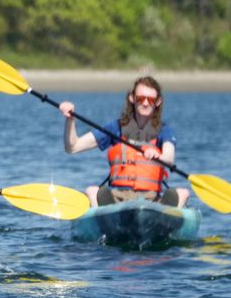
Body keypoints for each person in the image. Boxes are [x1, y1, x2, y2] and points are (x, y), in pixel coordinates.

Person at [59, 76, 190, 208]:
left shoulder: (164, 131)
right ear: (132, 98)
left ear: (158, 102)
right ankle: (104, 218)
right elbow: (73, 147)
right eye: (140, 98)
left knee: (183, 193)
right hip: (118, 199)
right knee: (92, 191)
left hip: (151, 200)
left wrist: (158, 156)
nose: (145, 103)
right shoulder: (115, 128)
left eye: (151, 100)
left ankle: (167, 220)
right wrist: (70, 120)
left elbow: (169, 158)